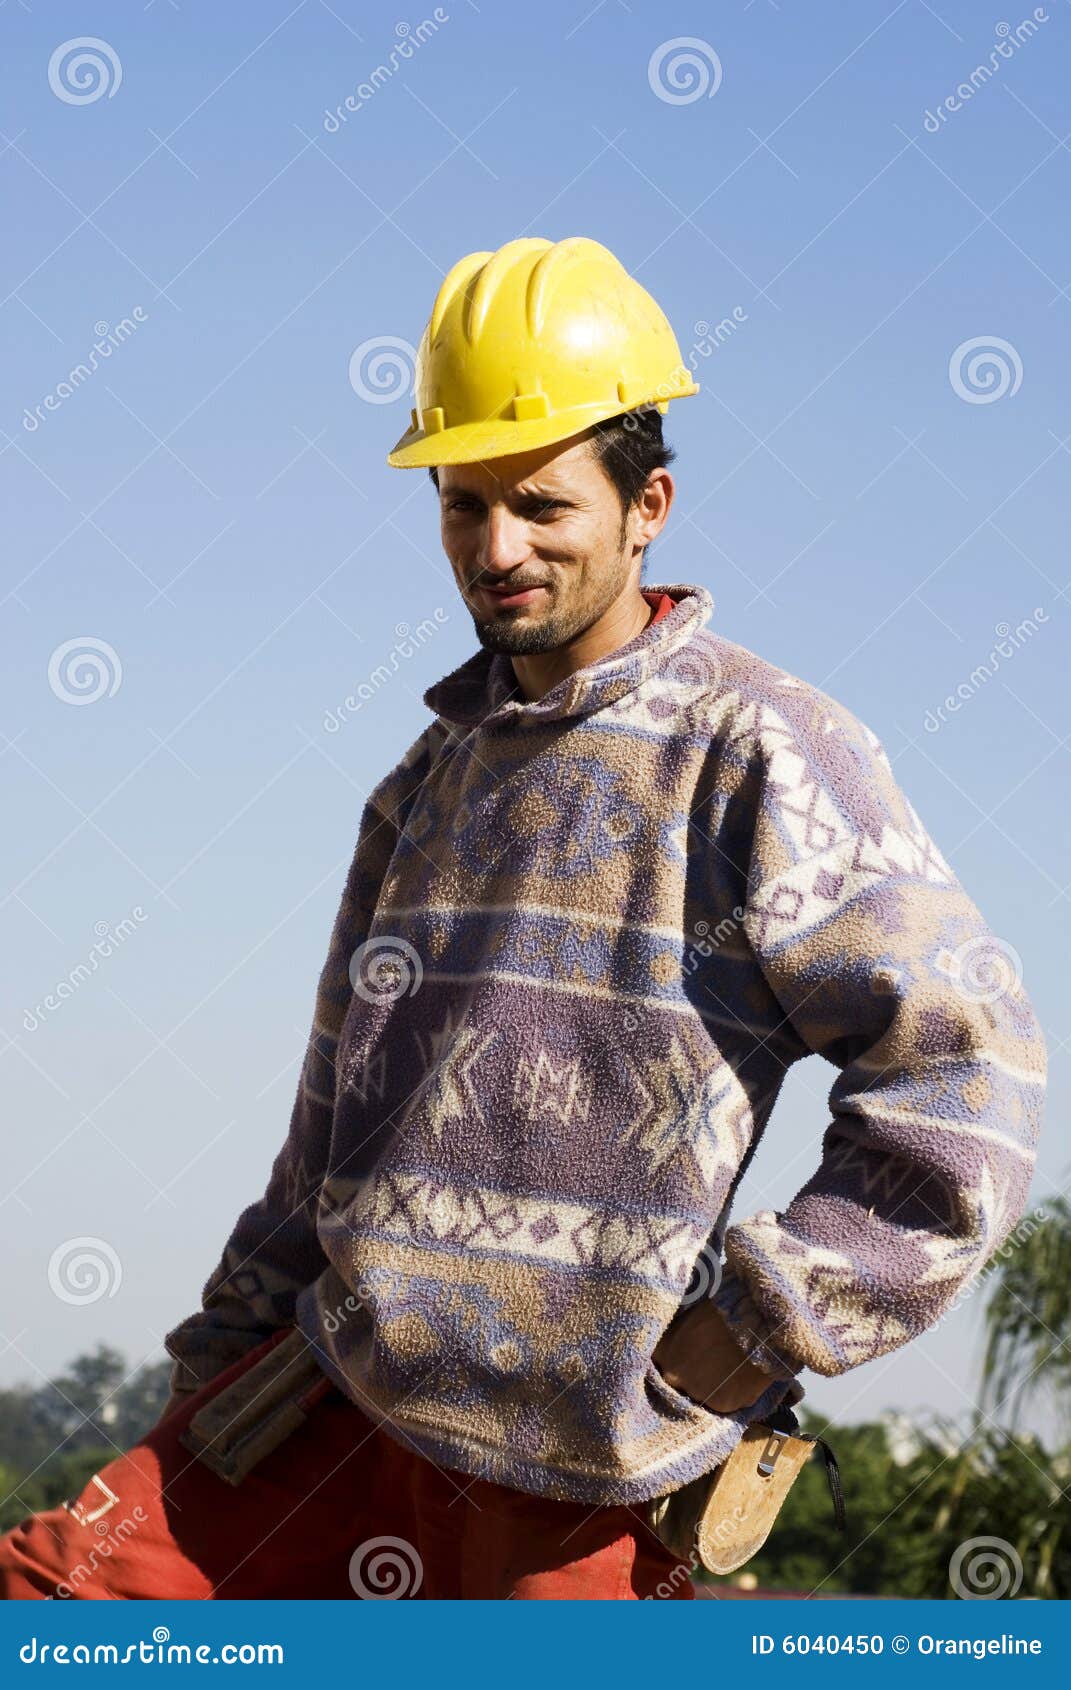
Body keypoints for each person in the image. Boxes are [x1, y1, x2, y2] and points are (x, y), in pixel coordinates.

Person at [0, 236, 1046, 1601]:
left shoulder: (760, 750)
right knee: (55, 1601)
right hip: (335, 1406)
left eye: (543, 505)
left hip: (581, 1469)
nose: (498, 549)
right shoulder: (427, 783)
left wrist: (761, 1323)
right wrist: (219, 1371)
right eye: (462, 506)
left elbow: (968, 1068)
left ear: (647, 502)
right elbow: (333, 1121)